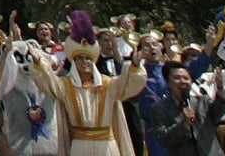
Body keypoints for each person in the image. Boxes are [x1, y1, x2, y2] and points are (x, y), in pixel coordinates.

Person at [22, 13, 145, 156]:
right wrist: (38, 63)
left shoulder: (107, 84)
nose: (84, 62)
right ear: (74, 62)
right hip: (80, 145)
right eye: (80, 58)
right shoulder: (66, 85)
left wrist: (135, 66)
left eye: (87, 58)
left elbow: (127, 85)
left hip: (107, 145)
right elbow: (48, 82)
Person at [144, 64, 225, 156]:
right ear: (167, 82)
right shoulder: (158, 109)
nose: (182, 81)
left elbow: (220, 113)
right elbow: (163, 139)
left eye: (186, 78)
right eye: (177, 78)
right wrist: (184, 123)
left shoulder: (202, 101)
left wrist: (220, 88)